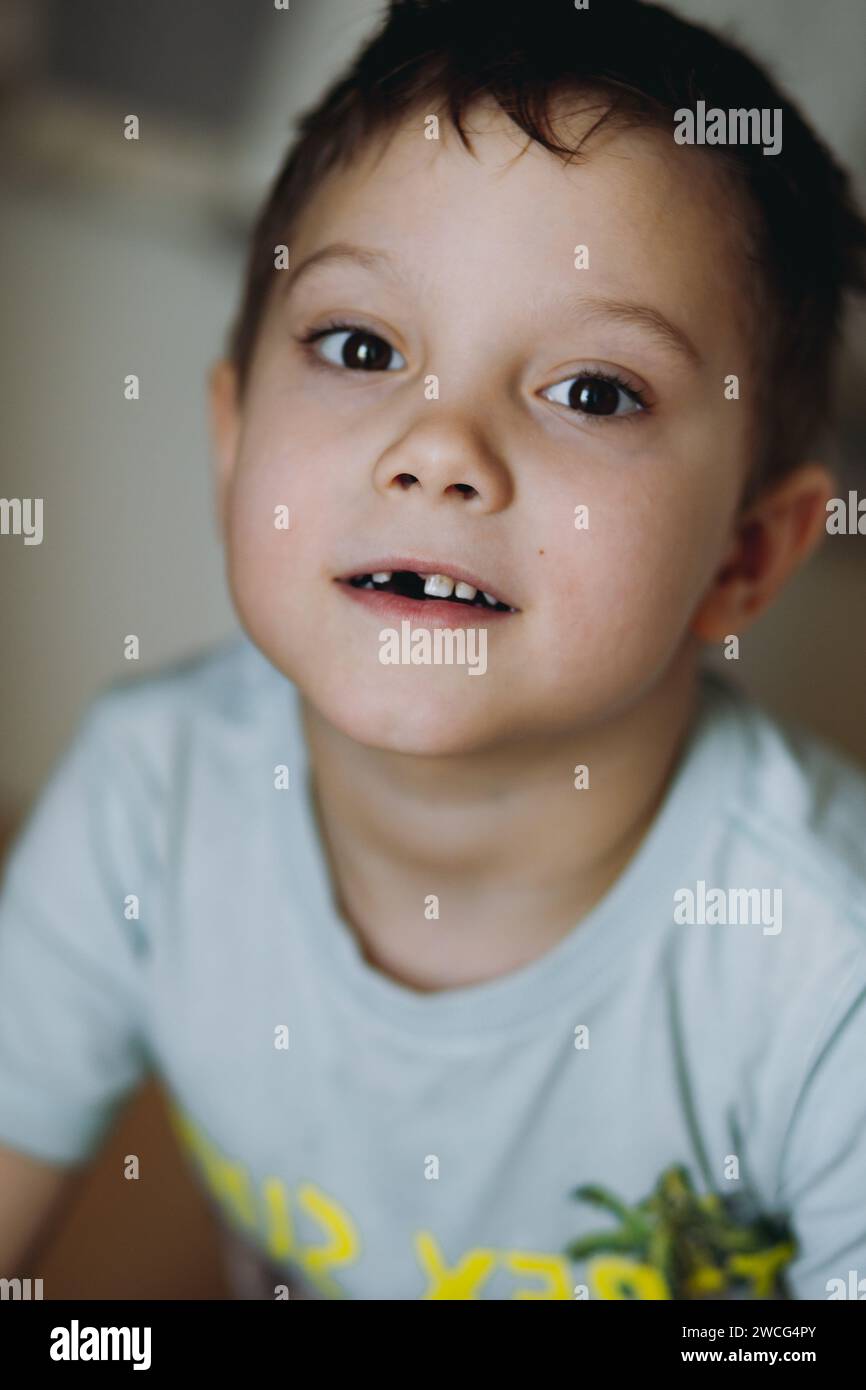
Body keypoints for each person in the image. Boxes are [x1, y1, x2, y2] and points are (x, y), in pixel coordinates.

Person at [2, 0, 865, 1301]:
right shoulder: (148, 799)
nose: (440, 447)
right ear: (233, 441)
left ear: (744, 556)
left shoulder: (822, 971)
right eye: (361, 347)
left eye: (592, 390)